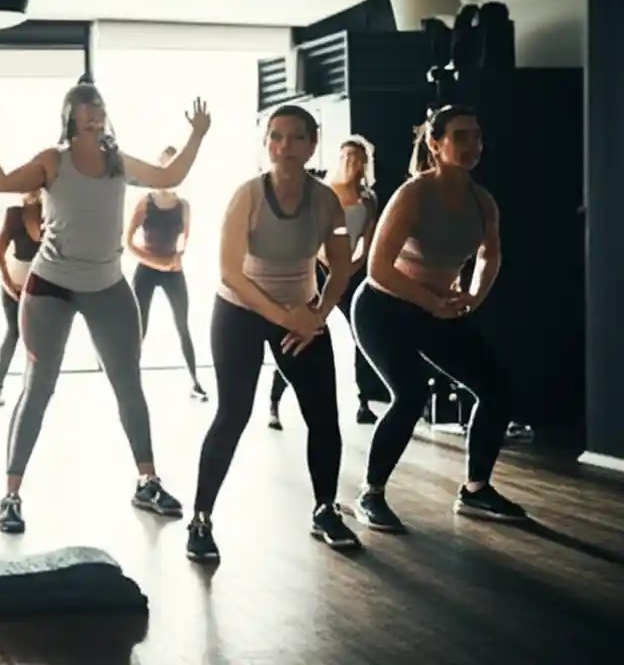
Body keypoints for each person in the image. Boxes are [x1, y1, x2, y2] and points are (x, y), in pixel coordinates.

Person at [0, 77, 207, 534]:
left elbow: (168, 177)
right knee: (38, 387)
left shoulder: (117, 163)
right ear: (71, 119)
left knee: (128, 384)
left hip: (107, 284)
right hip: (51, 285)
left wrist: (196, 134)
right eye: (86, 109)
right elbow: (2, 182)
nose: (95, 114)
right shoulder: (52, 162)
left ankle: (148, 481)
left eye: (99, 106)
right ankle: (11, 495)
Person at [186, 105, 360, 563]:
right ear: (266, 144)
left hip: (302, 312)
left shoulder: (326, 201)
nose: (283, 146)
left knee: (324, 414)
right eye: (275, 137)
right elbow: (230, 272)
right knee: (234, 413)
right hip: (240, 310)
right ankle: (200, 519)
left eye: (294, 138)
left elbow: (340, 264)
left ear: (311, 145)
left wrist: (317, 315)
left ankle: (325, 509)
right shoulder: (247, 195)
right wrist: (288, 319)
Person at [351, 105, 526, 533]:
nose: (472, 146)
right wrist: (431, 303)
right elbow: (378, 267)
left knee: (496, 388)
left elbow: (491, 254)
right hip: (383, 308)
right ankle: (370, 495)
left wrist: (474, 296)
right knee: (409, 395)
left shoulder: (482, 202)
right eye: (461, 136)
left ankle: (475, 489)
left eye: (477, 137)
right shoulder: (414, 194)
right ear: (435, 143)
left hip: (437, 308)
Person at [267, 135, 382, 429]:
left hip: (350, 270)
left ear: (363, 163)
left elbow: (367, 242)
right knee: (303, 328)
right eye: (344, 156)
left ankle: (364, 400)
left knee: (361, 332)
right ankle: (275, 401)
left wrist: (351, 265)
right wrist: (327, 261)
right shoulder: (323, 192)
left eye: (355, 157)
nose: (349, 161)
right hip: (317, 267)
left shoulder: (368, 199)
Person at [125, 146, 208, 401]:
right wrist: (157, 262)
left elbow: (185, 243)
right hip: (147, 270)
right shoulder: (145, 202)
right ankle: (129, 381)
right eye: (166, 166)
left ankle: (195, 381)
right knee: (140, 327)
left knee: (182, 325)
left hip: (173, 271)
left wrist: (175, 259)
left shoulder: (183, 206)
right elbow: (128, 242)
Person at [0, 189, 43, 407]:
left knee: (38, 337)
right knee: (13, 332)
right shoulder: (14, 213)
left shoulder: (50, 212)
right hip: (14, 282)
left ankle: (34, 388)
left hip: (40, 284)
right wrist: (7, 282)